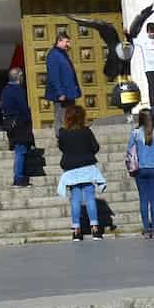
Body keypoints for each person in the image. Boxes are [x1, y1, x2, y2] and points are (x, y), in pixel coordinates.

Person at [56, 103, 106, 240]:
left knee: (75, 200)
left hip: (71, 170)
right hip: (87, 168)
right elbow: (95, 147)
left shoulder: (63, 133)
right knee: (90, 198)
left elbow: (62, 148)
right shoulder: (86, 131)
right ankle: (95, 228)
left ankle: (76, 230)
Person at [129, 108, 154, 237]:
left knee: (143, 200)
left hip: (140, 169)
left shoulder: (135, 133)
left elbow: (130, 151)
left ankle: (146, 229)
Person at [0, 67, 35, 187]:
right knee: (21, 151)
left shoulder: (5, 90)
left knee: (18, 150)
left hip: (10, 123)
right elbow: (23, 107)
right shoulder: (17, 89)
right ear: (19, 77)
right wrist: (29, 119)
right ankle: (19, 177)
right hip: (19, 124)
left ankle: (19, 177)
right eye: (22, 77)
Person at [44, 31, 81, 131]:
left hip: (69, 93)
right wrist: (60, 92)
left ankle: (70, 135)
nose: (69, 45)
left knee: (69, 116)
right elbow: (53, 76)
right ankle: (61, 138)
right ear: (59, 41)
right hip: (62, 95)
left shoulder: (62, 54)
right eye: (67, 42)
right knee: (61, 117)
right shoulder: (53, 55)